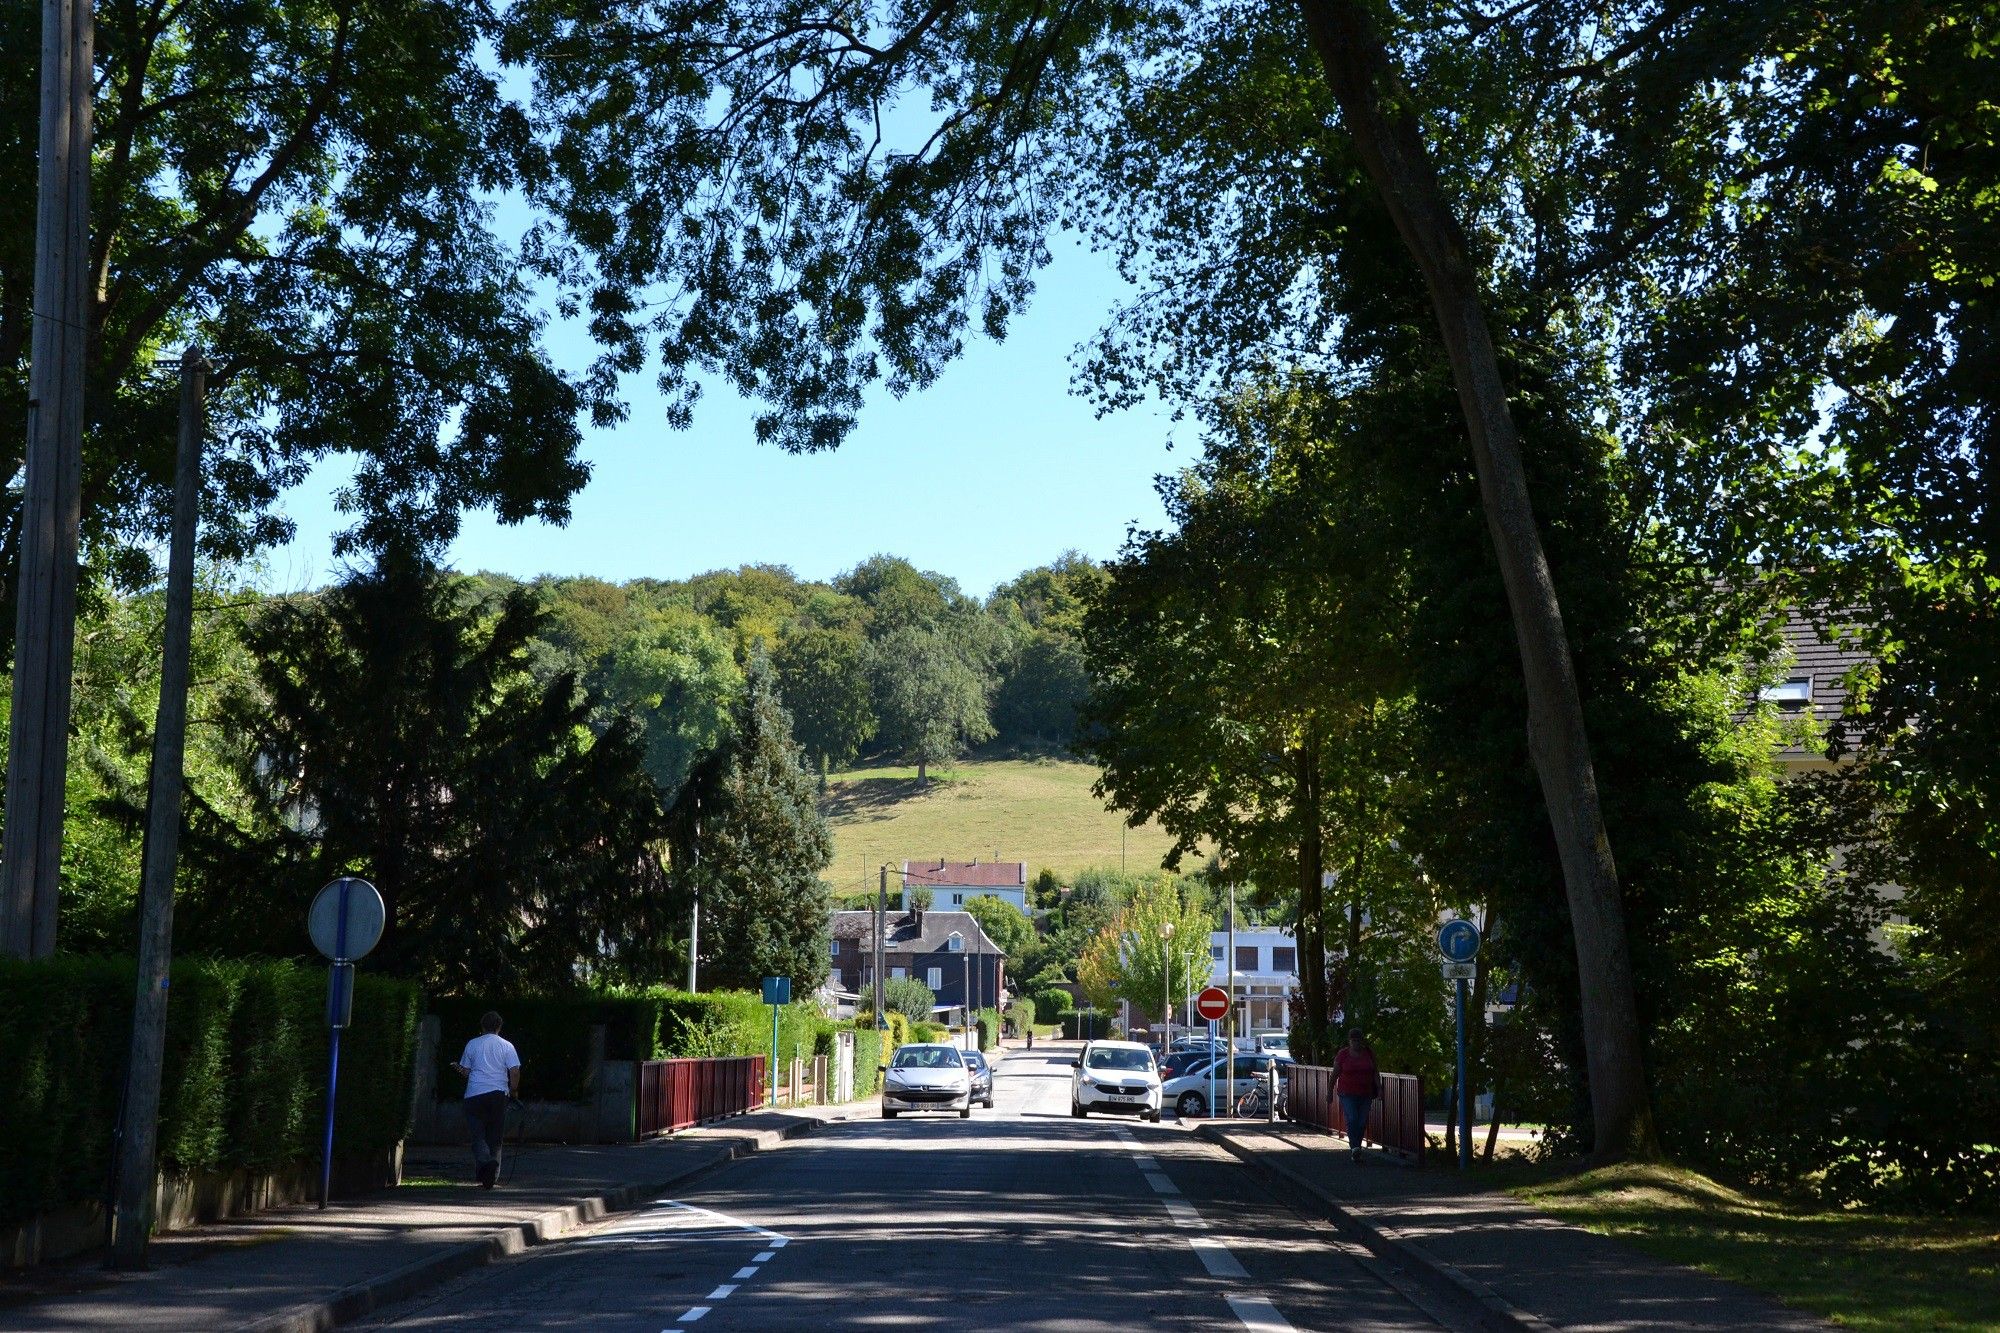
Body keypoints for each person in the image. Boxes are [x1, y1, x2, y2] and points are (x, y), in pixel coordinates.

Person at [451, 1011, 521, 1188]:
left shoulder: (472, 1044)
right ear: (499, 1026)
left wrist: (458, 1069)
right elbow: (514, 1071)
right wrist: (513, 1092)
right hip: (498, 1094)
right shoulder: (507, 1046)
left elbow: (466, 1071)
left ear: (482, 1026)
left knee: (478, 1135)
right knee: (495, 1137)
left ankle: (484, 1164)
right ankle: (492, 1176)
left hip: (474, 1094)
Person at [1332, 1029, 1380, 1163]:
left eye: (1358, 1040)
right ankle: (1355, 1147)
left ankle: (1356, 1147)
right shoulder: (1343, 1054)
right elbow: (1335, 1074)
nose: (1356, 1043)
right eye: (1353, 1040)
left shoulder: (1368, 1053)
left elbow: (1375, 1071)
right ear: (1349, 1041)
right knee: (1352, 1118)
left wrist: (1379, 1089)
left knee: (1362, 1121)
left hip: (1366, 1093)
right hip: (1347, 1093)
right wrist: (1329, 1091)